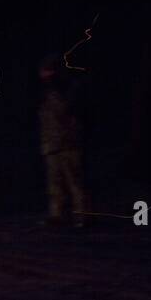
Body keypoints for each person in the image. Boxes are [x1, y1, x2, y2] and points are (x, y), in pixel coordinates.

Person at [37, 55, 87, 228]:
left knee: (74, 181)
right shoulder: (46, 92)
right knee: (55, 183)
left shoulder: (68, 88)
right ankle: (57, 215)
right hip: (52, 143)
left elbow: (67, 111)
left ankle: (81, 215)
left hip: (68, 142)